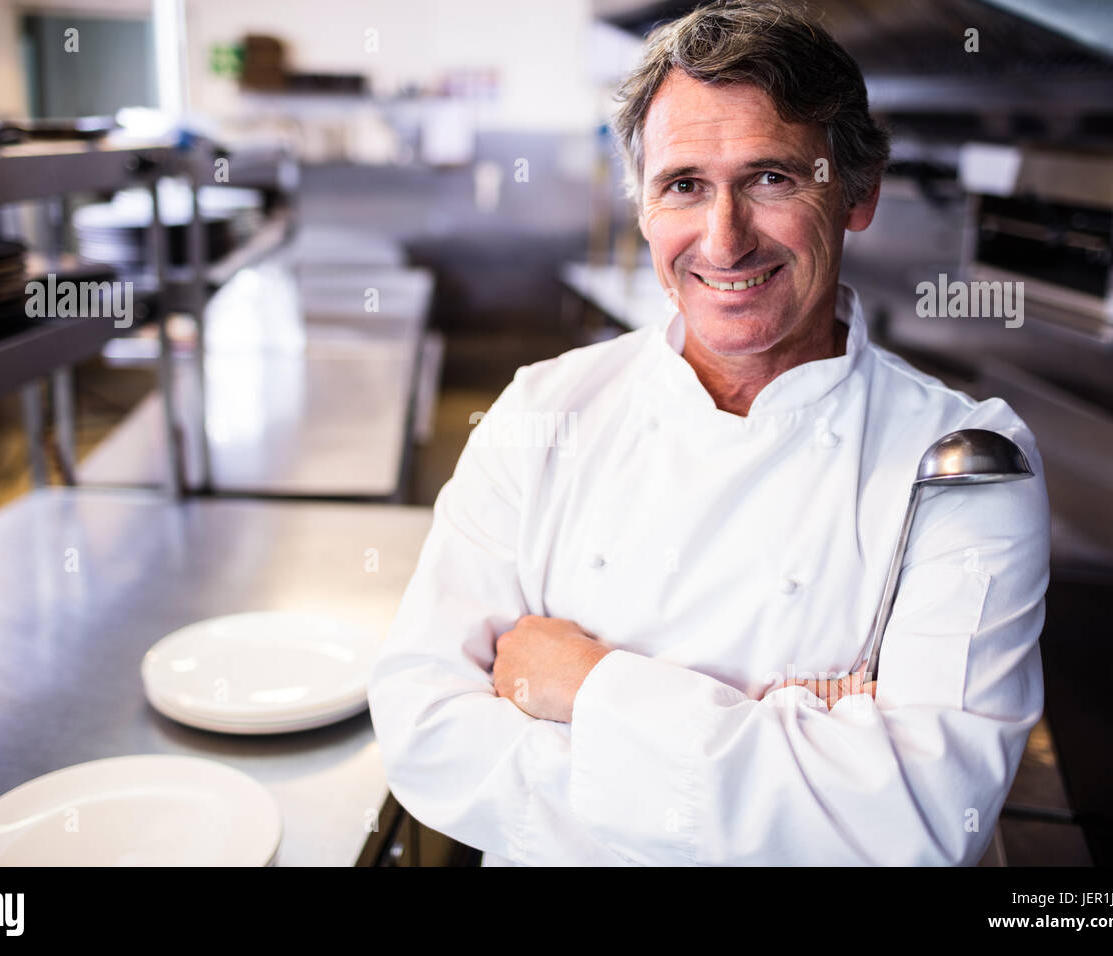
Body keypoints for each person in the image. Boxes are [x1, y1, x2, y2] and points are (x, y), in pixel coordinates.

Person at [367, 0, 1050, 866]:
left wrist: (587, 686)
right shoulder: (543, 409)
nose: (723, 241)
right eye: (684, 184)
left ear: (859, 192)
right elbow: (427, 731)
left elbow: (920, 819)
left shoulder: (964, 462)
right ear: (644, 206)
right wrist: (787, 756)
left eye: (771, 178)